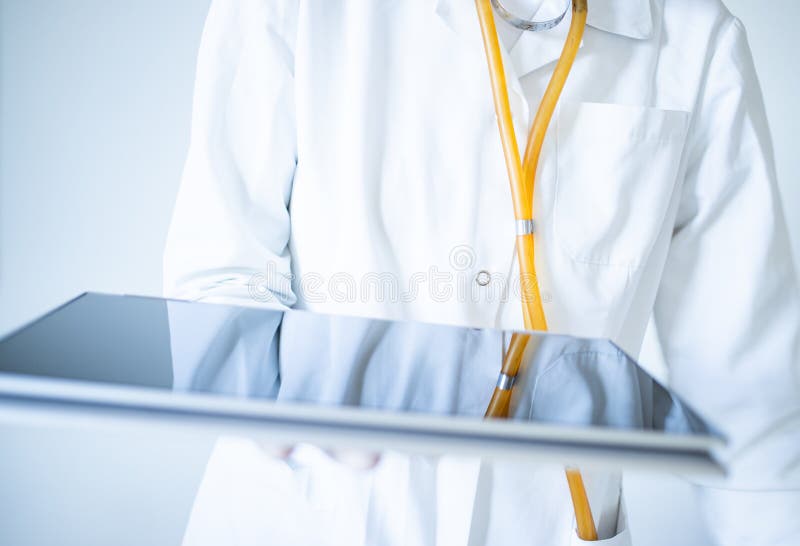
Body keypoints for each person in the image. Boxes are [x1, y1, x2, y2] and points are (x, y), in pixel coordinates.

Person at [164, 0, 800, 544]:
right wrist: (289, 390)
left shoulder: (694, 40)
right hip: (309, 518)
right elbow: (217, 274)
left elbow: (751, 399)